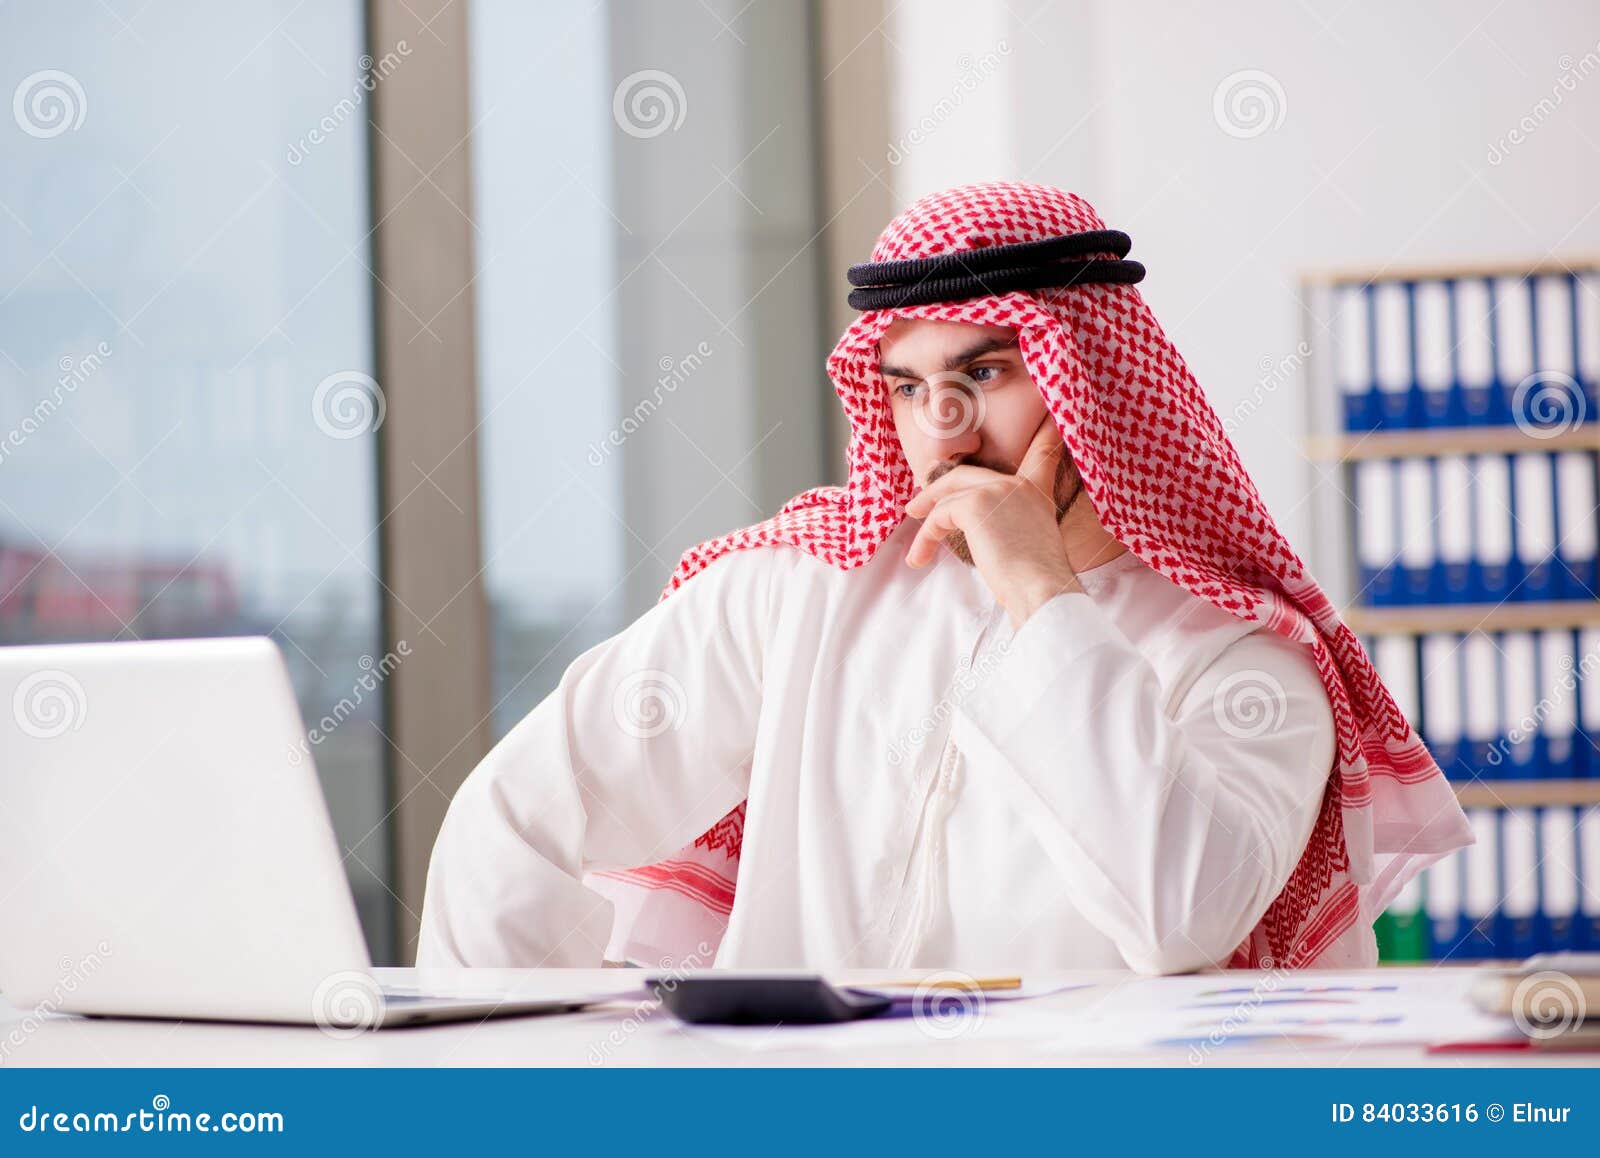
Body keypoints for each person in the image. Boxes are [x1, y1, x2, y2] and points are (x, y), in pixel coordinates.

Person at [417, 181, 1472, 974]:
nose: (945, 425)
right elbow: (514, 817)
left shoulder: (1240, 657)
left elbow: (1179, 918)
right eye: (911, 386)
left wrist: (1040, 595)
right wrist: (506, 1078)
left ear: (1092, 381)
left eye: (985, 372)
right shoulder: (792, 594)